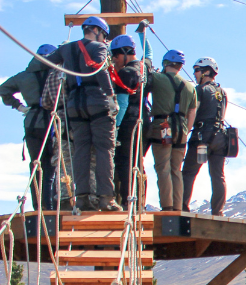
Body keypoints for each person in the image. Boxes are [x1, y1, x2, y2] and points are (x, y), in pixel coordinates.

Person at [44, 16, 120, 211]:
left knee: (81, 150)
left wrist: (65, 56)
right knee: (104, 149)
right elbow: (100, 71)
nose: (104, 39)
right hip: (97, 102)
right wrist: (111, 97)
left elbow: (47, 61)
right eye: (104, 34)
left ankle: (82, 197)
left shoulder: (66, 48)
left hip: (74, 105)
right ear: (97, 31)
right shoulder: (99, 48)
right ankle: (106, 198)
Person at [1, 43, 58, 210]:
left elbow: (3, 89)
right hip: (52, 122)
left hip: (32, 123)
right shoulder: (57, 74)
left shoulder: (24, 76)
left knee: (36, 165)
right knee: (53, 166)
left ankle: (39, 206)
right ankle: (52, 206)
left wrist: (19, 106)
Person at [145, 50, 197, 211]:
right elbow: (192, 112)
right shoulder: (190, 87)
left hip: (163, 125)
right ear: (181, 66)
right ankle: (177, 206)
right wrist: (186, 130)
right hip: (181, 129)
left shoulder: (157, 79)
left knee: (163, 167)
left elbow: (145, 82)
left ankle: (167, 206)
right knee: (176, 169)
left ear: (165, 63)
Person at [181, 57, 228, 215]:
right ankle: (218, 211)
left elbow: (192, 112)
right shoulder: (222, 92)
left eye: (197, 70)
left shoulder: (200, 90)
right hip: (220, 139)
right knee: (217, 175)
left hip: (202, 140)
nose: (194, 74)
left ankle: (182, 207)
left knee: (189, 172)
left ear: (206, 72)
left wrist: (185, 131)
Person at [108, 35, 147, 206]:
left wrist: (115, 127)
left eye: (115, 57)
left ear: (124, 53)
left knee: (125, 162)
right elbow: (149, 55)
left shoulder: (125, 73)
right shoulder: (144, 68)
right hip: (144, 120)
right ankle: (139, 201)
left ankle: (127, 201)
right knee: (137, 162)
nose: (114, 61)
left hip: (129, 122)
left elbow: (122, 104)